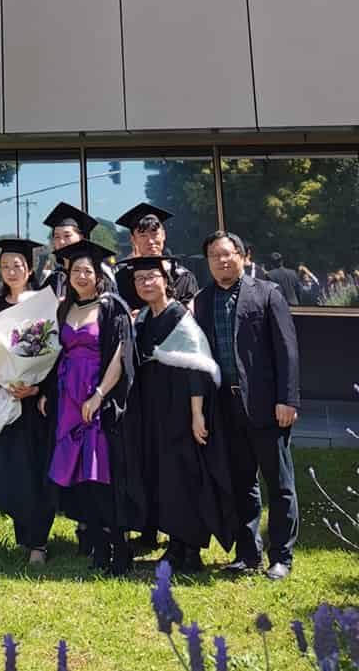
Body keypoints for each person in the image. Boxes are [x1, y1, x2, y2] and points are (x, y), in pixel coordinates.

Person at [194, 231, 300, 581]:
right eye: (214, 256)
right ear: (207, 261)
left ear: (243, 256)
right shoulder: (204, 300)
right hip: (226, 406)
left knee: (279, 483)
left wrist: (287, 399)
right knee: (241, 483)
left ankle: (281, 556)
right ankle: (248, 552)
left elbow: (287, 350)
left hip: (266, 406)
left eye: (227, 254)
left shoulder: (267, 293)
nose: (221, 261)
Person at [122, 256, 236, 574]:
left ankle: (188, 551)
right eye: (140, 279)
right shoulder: (144, 318)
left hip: (181, 409)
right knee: (165, 477)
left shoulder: (178, 316)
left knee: (184, 477)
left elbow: (196, 367)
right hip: (156, 411)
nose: (146, 283)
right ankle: (177, 547)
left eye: (152, 277)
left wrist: (197, 413)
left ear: (165, 280)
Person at [41, 238, 135, 576]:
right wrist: (46, 392)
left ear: (98, 275)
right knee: (80, 476)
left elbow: (120, 356)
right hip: (69, 399)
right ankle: (96, 547)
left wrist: (98, 395)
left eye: (88, 270)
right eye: (76, 270)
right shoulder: (65, 308)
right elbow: (57, 353)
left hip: (99, 400)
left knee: (103, 476)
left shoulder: (113, 307)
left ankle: (120, 552)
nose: (82, 275)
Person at [0, 238, 56, 566]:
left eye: (17, 265)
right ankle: (23, 535)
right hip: (7, 399)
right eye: (5, 266)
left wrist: (38, 389)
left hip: (34, 405)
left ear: (29, 269)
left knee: (36, 470)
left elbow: (55, 354)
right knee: (13, 471)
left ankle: (38, 542)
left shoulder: (44, 306)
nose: (11, 271)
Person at [114, 203, 198, 313]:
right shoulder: (122, 279)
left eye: (154, 233)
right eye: (143, 235)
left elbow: (191, 318)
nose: (150, 241)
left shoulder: (183, 277)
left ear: (163, 235)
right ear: (133, 240)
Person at [39, 203, 113, 297]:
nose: (61, 241)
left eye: (67, 235)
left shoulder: (99, 274)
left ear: (81, 237)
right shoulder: (55, 278)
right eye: (57, 236)